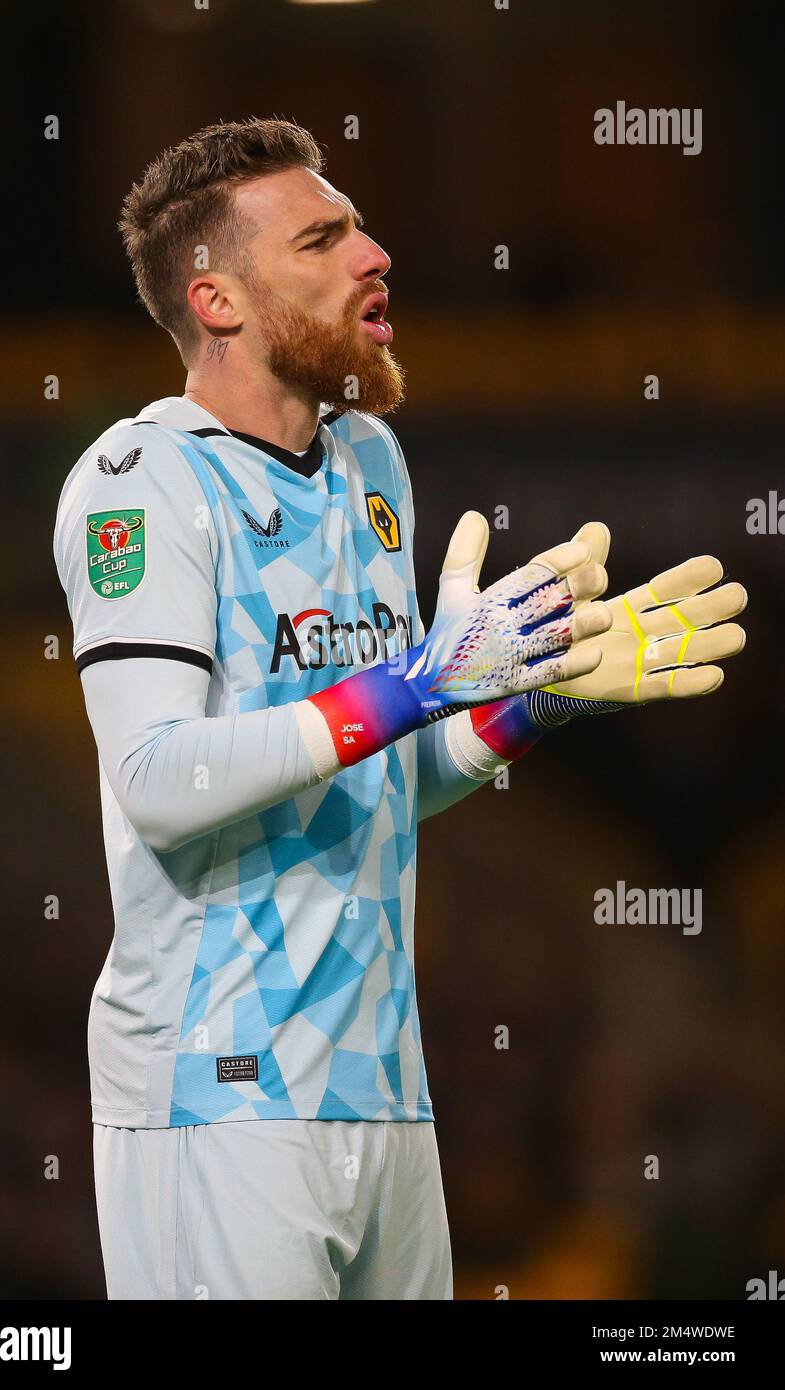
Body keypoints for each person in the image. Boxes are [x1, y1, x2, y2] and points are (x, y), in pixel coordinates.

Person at [53, 118, 746, 1300]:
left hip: (382, 1079)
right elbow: (161, 783)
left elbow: (372, 779)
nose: (374, 254)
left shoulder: (372, 464)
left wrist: (523, 705)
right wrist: (418, 681)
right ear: (216, 300)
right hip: (217, 1094)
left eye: (360, 227)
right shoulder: (141, 484)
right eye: (323, 238)